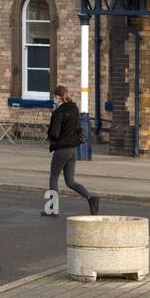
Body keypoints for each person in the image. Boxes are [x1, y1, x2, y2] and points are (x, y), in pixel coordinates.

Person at [44, 85, 99, 216]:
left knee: (53, 177)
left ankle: (53, 209)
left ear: (58, 97)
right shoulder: (74, 108)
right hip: (73, 148)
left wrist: (53, 117)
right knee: (70, 181)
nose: (53, 99)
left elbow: (54, 133)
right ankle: (91, 198)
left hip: (62, 148)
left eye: (54, 96)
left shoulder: (59, 112)